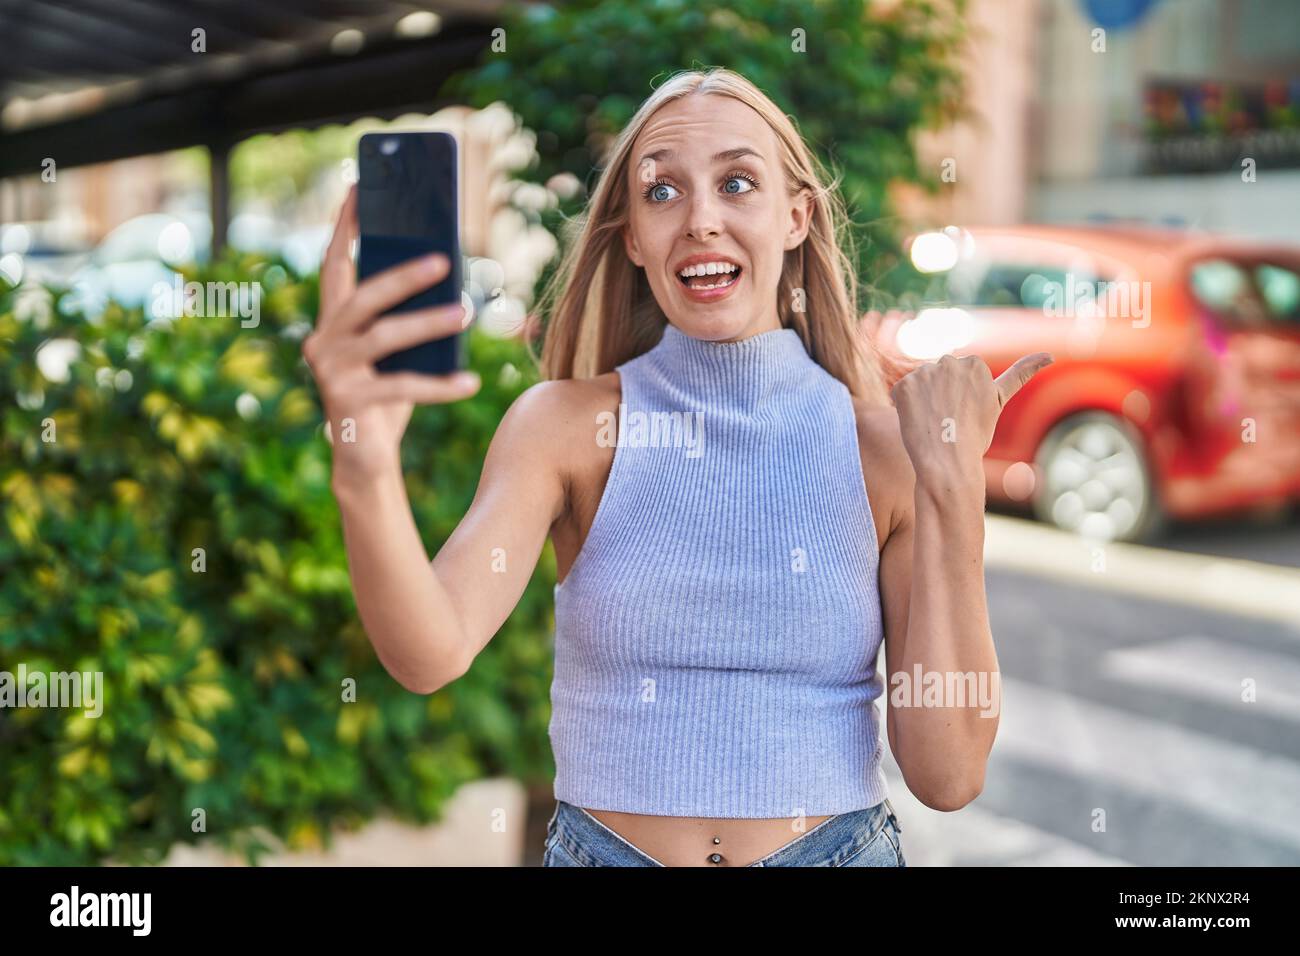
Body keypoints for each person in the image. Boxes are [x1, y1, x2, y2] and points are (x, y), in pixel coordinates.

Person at [302, 67, 1052, 867]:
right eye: (662, 193)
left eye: (737, 183)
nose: (700, 220)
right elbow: (429, 652)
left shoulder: (882, 450)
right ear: (631, 236)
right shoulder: (563, 427)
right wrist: (364, 463)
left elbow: (948, 773)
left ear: (796, 217)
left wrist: (951, 486)